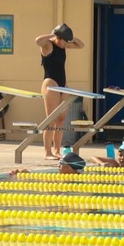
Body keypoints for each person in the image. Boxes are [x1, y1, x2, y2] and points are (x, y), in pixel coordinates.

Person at [35, 23, 85, 159]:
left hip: (63, 84)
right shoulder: (48, 45)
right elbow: (37, 40)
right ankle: (47, 152)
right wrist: (54, 34)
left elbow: (81, 45)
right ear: (59, 38)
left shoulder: (63, 45)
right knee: (51, 119)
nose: (65, 45)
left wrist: (70, 37)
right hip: (51, 84)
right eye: (64, 41)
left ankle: (57, 150)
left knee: (61, 119)